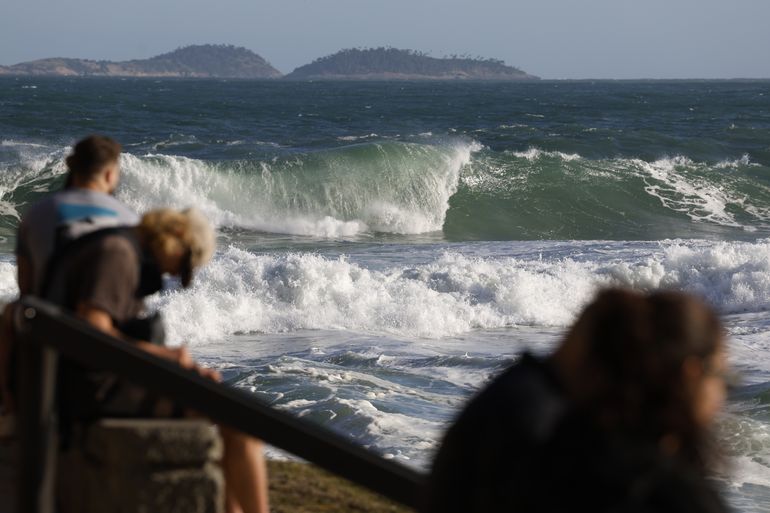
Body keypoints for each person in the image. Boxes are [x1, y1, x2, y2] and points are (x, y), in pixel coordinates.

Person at [45, 207, 269, 513]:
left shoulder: (117, 246)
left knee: (222, 408)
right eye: (186, 263)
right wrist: (168, 357)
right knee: (242, 421)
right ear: (175, 235)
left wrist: (172, 366)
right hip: (94, 389)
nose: (178, 274)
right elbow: (93, 331)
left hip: (82, 382)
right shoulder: (119, 253)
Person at [424, 288, 729, 513]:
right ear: (689, 375)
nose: (724, 393)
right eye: (722, 376)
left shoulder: (524, 399)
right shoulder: (547, 430)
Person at [1, 135, 137, 415]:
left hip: (42, 352)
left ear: (73, 168)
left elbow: (27, 288)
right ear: (110, 174)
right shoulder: (129, 221)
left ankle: (9, 404)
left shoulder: (36, 215)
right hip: (103, 368)